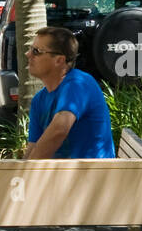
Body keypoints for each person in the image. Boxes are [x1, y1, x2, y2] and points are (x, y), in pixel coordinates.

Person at [23, 27, 115, 160]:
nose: (28, 54)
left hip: (93, 176)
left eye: (36, 51)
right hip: (65, 176)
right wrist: (18, 175)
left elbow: (59, 130)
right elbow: (33, 147)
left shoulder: (78, 84)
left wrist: (27, 174)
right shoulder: (39, 100)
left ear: (59, 60)